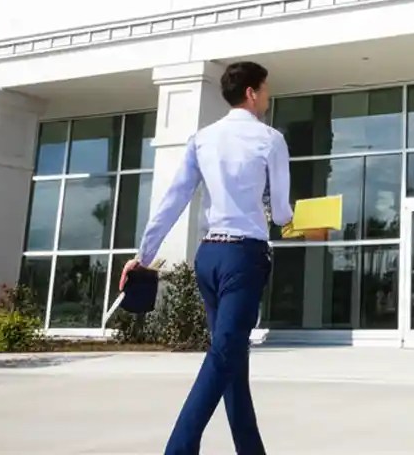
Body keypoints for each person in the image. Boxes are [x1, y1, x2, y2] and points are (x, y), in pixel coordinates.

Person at [121, 61, 292, 455]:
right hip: (243, 259)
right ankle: (178, 450)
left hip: (209, 257)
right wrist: (293, 217)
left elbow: (174, 198)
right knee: (224, 354)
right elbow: (281, 214)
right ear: (251, 92)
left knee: (232, 358)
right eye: (264, 89)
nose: (267, 96)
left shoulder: (202, 139)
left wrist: (142, 254)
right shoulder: (270, 140)